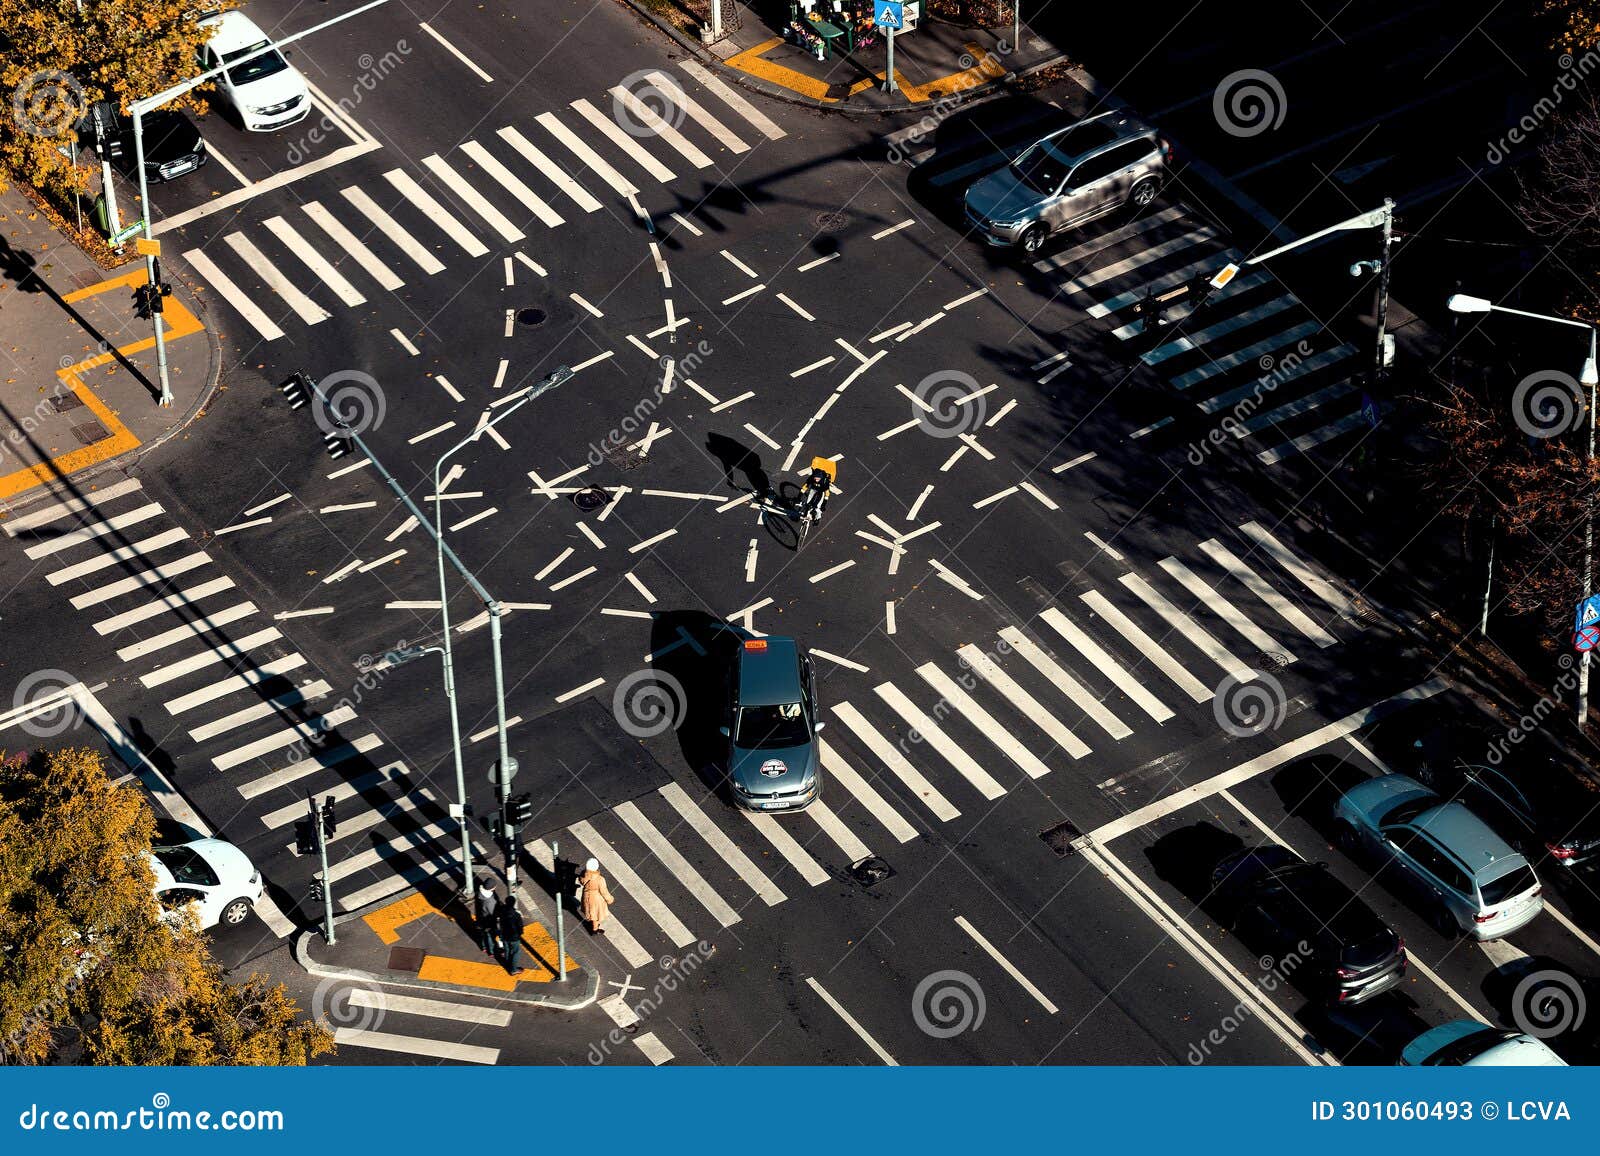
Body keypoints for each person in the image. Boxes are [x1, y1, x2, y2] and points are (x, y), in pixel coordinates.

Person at [579, 857, 615, 936]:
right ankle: (594, 930)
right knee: (596, 915)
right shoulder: (600, 879)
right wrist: (610, 899)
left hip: (587, 896)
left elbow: (581, 881)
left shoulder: (584, 876)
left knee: (591, 912)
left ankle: (593, 924)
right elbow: (604, 891)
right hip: (596, 899)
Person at [498, 896, 525, 976]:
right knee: (515, 952)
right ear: (514, 903)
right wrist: (520, 933)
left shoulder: (502, 912)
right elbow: (520, 928)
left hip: (504, 935)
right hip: (514, 937)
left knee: (507, 949)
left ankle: (507, 963)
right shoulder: (516, 915)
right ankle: (513, 969)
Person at [475, 879, 500, 958]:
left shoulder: (479, 893)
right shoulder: (490, 901)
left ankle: (483, 947)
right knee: (490, 936)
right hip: (489, 920)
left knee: (483, 933)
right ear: (491, 888)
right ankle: (491, 951)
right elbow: (493, 913)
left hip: (480, 917)